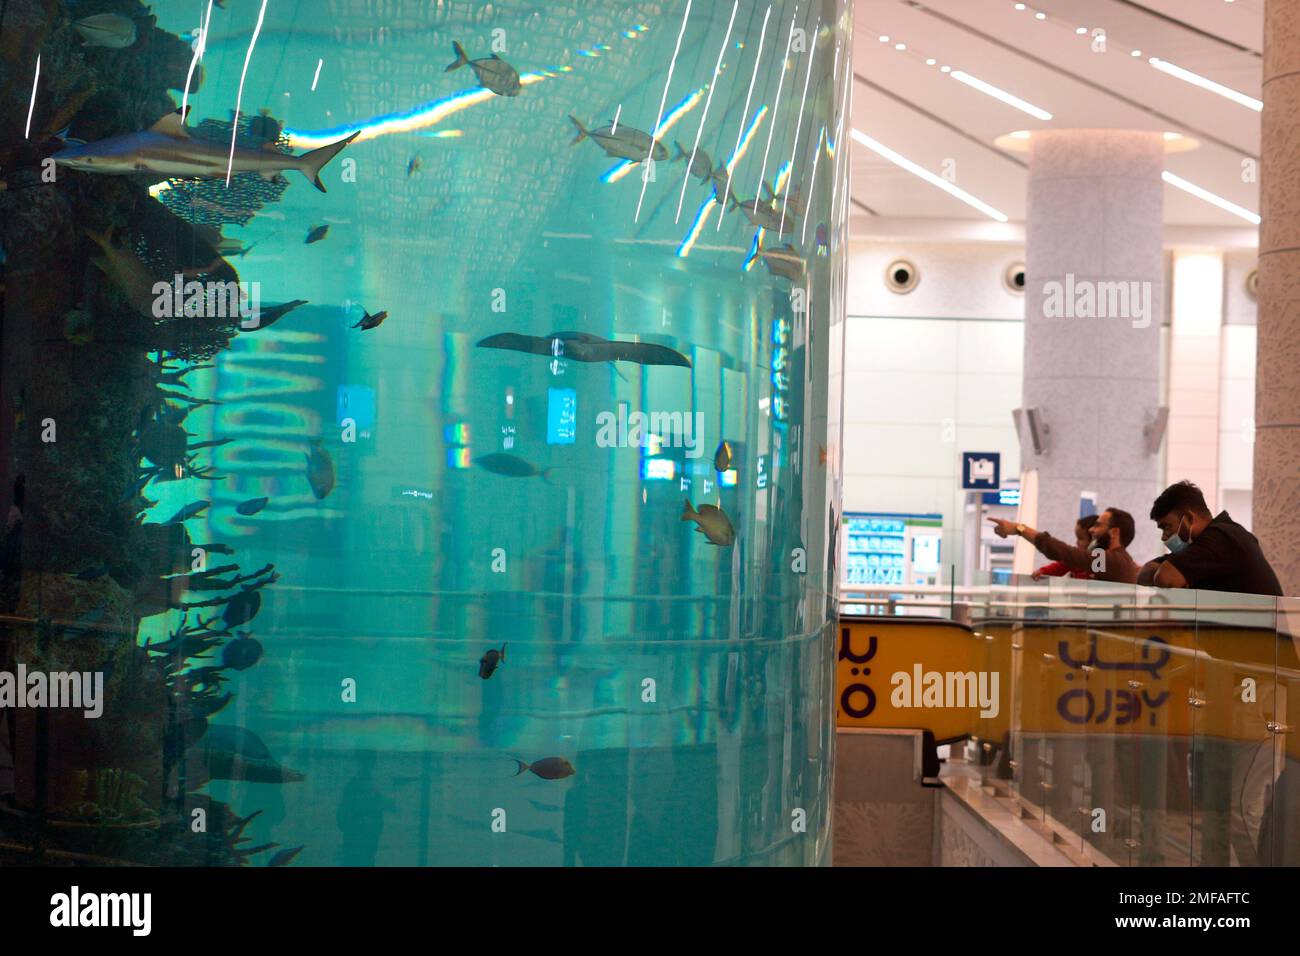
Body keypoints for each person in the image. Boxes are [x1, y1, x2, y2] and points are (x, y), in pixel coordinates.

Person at [1139, 480, 1282, 596]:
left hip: (1262, 631)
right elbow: (1145, 574)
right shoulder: (1201, 545)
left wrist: (1168, 575)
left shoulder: (1221, 538)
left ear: (1188, 518)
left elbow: (1165, 578)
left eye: (1167, 527)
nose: (1164, 537)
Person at [988, 507, 1139, 583]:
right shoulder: (1113, 560)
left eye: (1098, 525)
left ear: (1114, 533)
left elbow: (1065, 553)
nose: (1092, 530)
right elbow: (1069, 558)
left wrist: (1019, 529)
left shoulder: (1111, 561)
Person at [1031, 514, 1099, 580]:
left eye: (1080, 538)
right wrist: (1042, 572)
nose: (1077, 542)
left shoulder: (1100, 560)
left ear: (1094, 540)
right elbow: (1059, 567)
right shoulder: (1076, 557)